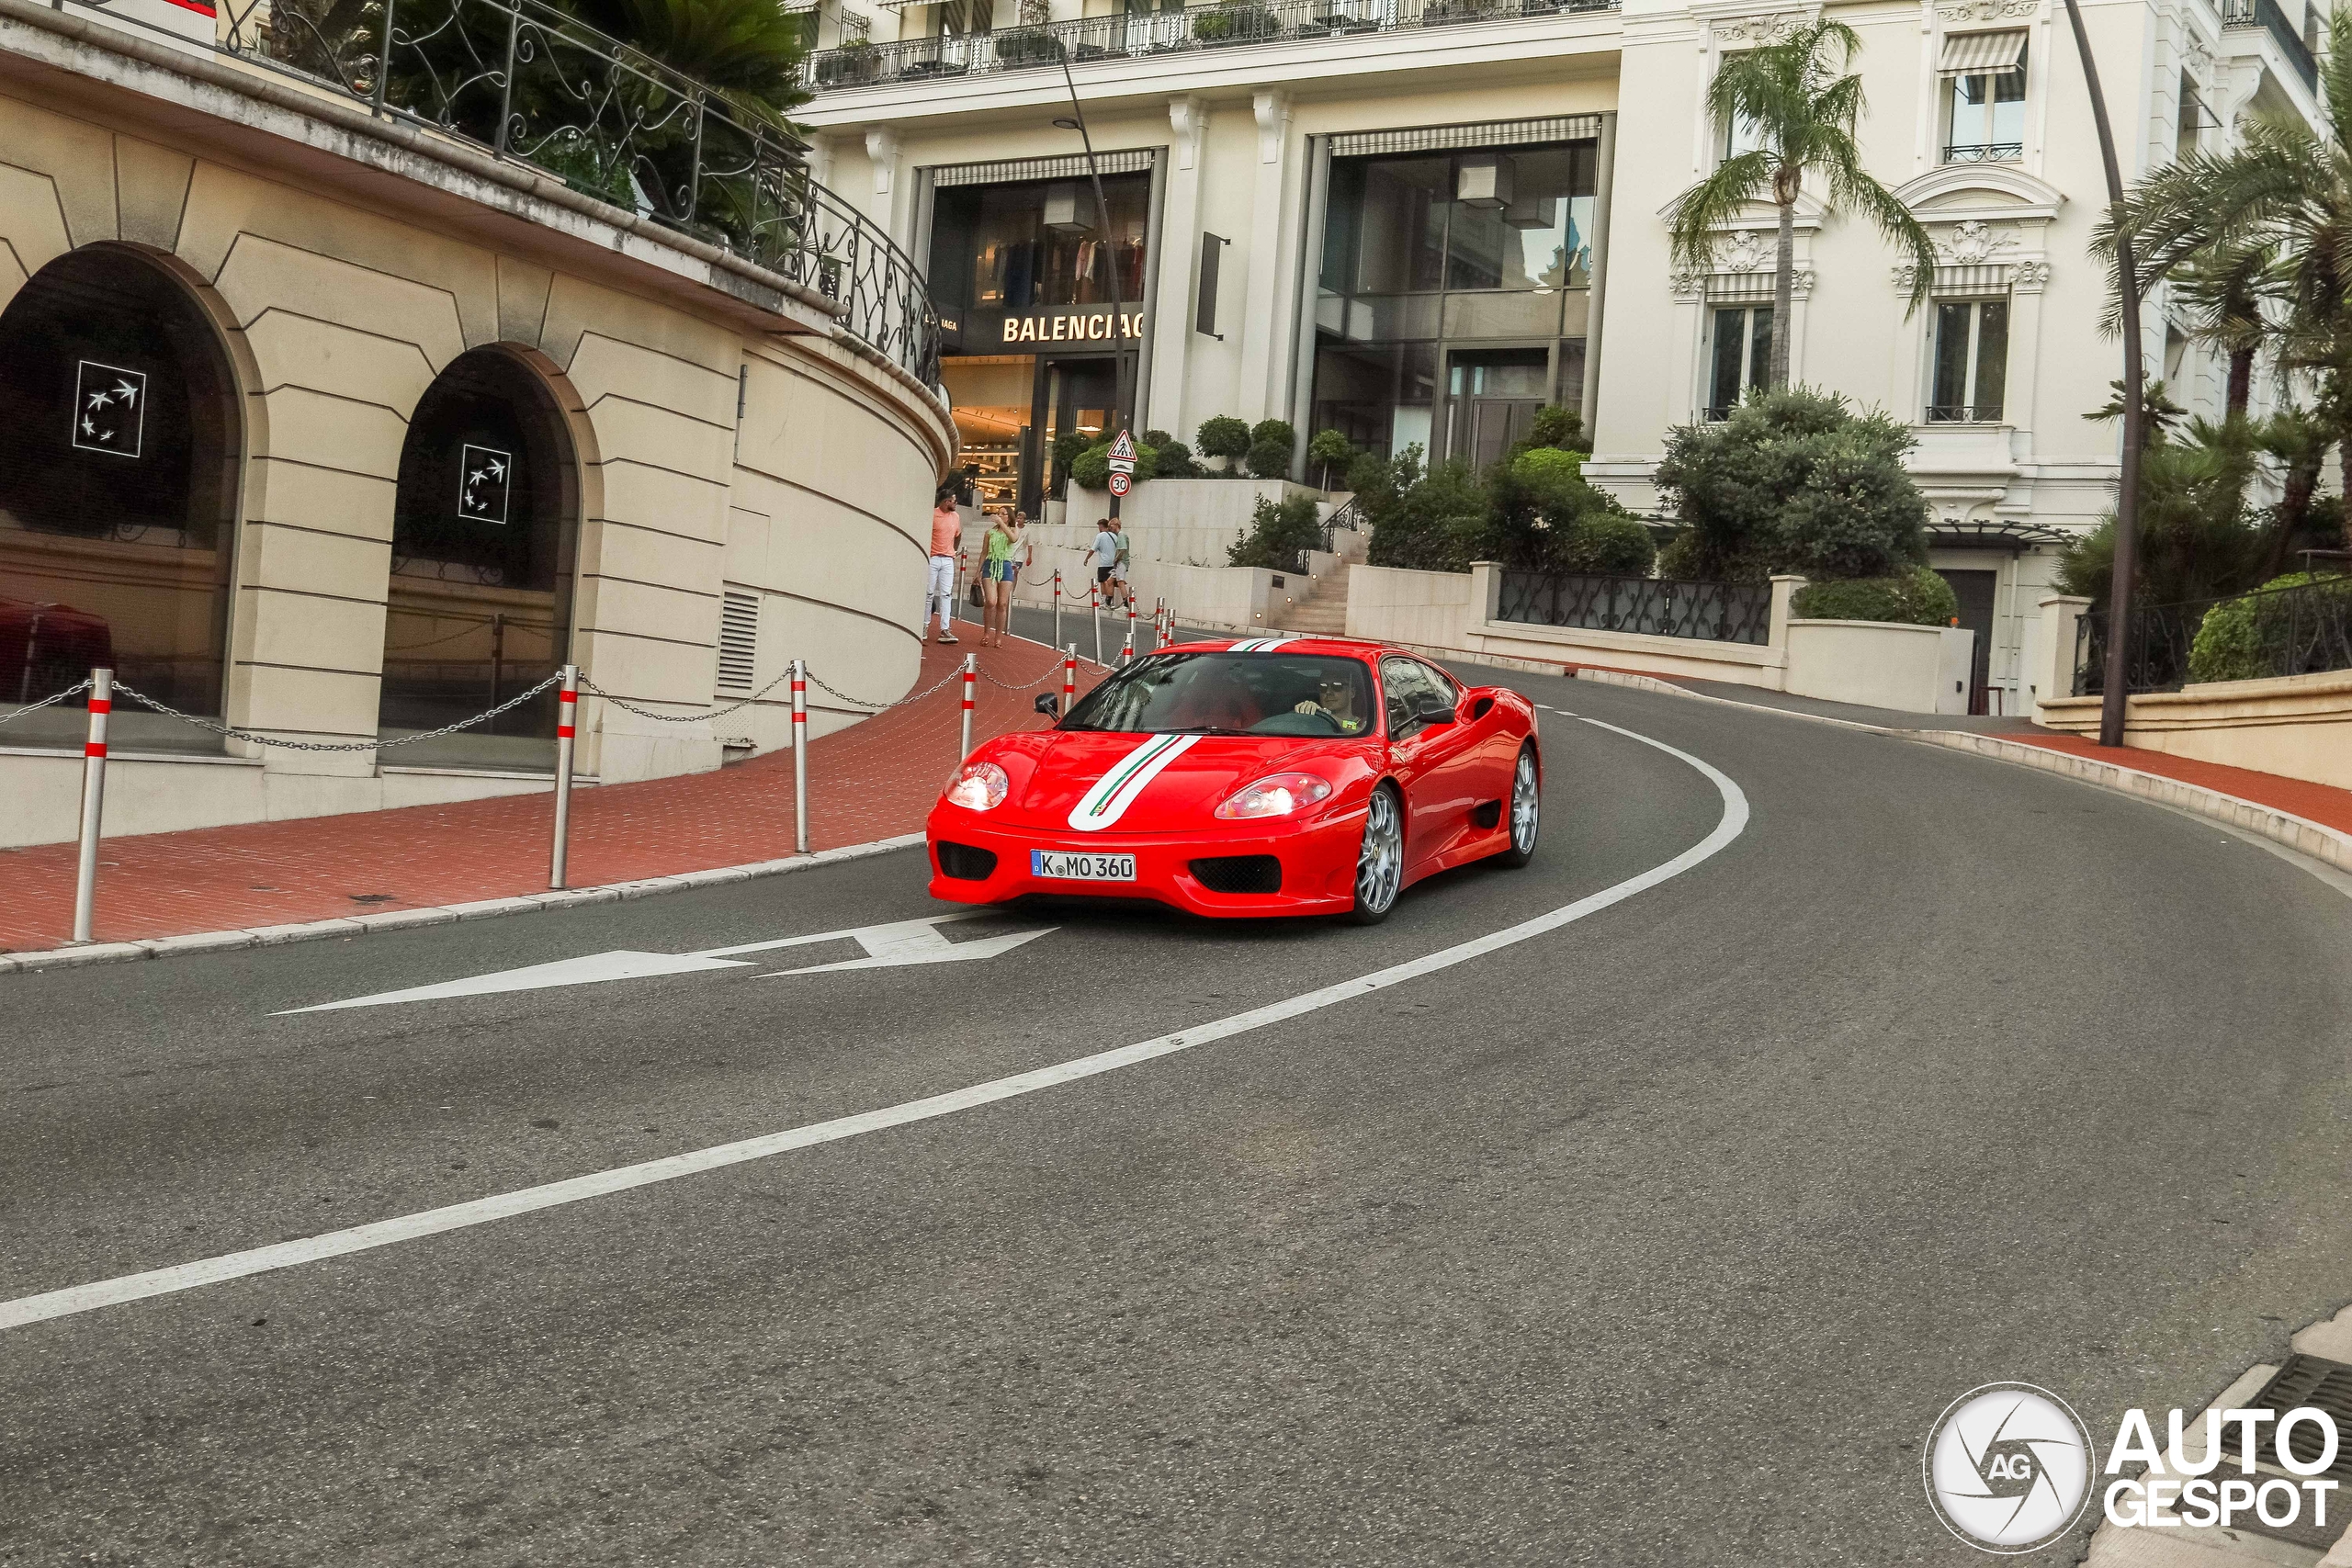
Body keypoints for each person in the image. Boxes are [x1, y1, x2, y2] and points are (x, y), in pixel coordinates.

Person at [980, 511, 1028, 648]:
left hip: (1006, 565)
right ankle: (986, 633)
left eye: (1004, 513)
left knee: (1002, 603)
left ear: (1009, 517)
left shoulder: (1014, 529)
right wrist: (978, 572)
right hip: (991, 564)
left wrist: (1001, 523)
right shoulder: (989, 532)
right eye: (999, 513)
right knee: (991, 601)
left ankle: (998, 637)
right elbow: (984, 552)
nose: (1000, 515)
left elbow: (1013, 539)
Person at [927, 489, 960, 645]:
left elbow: (958, 534)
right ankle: (924, 626)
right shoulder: (932, 514)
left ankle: (945, 629)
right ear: (946, 501)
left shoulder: (956, 516)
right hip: (933, 557)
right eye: (954, 500)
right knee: (928, 593)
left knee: (947, 594)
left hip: (948, 559)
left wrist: (954, 550)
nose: (956, 503)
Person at [1090, 519, 1120, 604]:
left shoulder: (1100, 536)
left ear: (1100, 526)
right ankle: (1110, 601)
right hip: (1114, 563)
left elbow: (1093, 549)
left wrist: (1086, 559)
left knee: (1103, 582)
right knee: (1110, 583)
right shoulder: (1115, 536)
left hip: (1104, 563)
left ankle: (1104, 600)